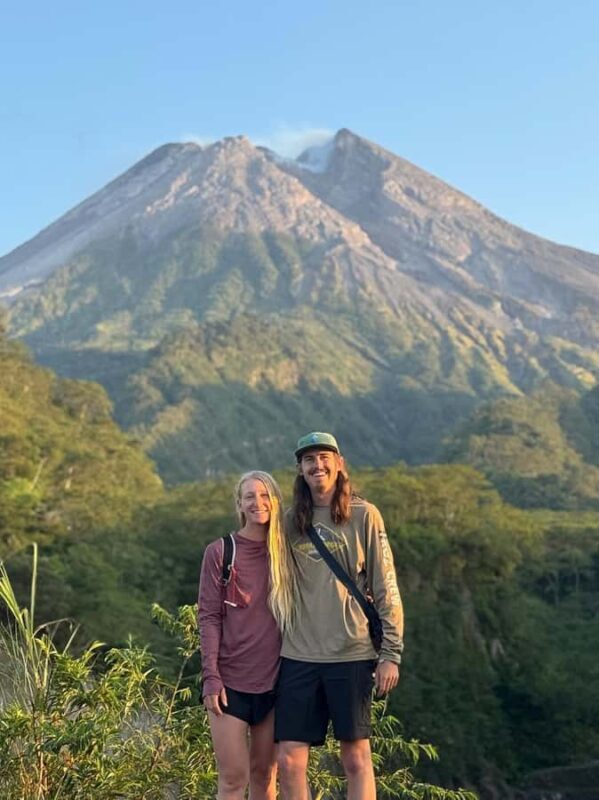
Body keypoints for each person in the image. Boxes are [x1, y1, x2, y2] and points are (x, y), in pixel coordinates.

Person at [276, 432, 404, 800]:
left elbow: (386, 586)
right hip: (298, 654)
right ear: (300, 469)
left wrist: (390, 654)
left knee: (356, 758)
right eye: (309, 459)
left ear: (339, 463)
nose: (318, 465)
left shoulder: (364, 514)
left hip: (352, 653)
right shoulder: (289, 522)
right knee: (289, 760)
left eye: (324, 457)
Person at [198, 470, 296, 800]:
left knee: (265, 776)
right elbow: (209, 617)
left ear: (276, 501)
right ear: (239, 504)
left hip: (276, 683)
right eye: (250, 496)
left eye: (265, 495)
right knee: (232, 779)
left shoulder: (288, 553)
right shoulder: (221, 552)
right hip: (230, 686)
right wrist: (211, 677)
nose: (258, 502)